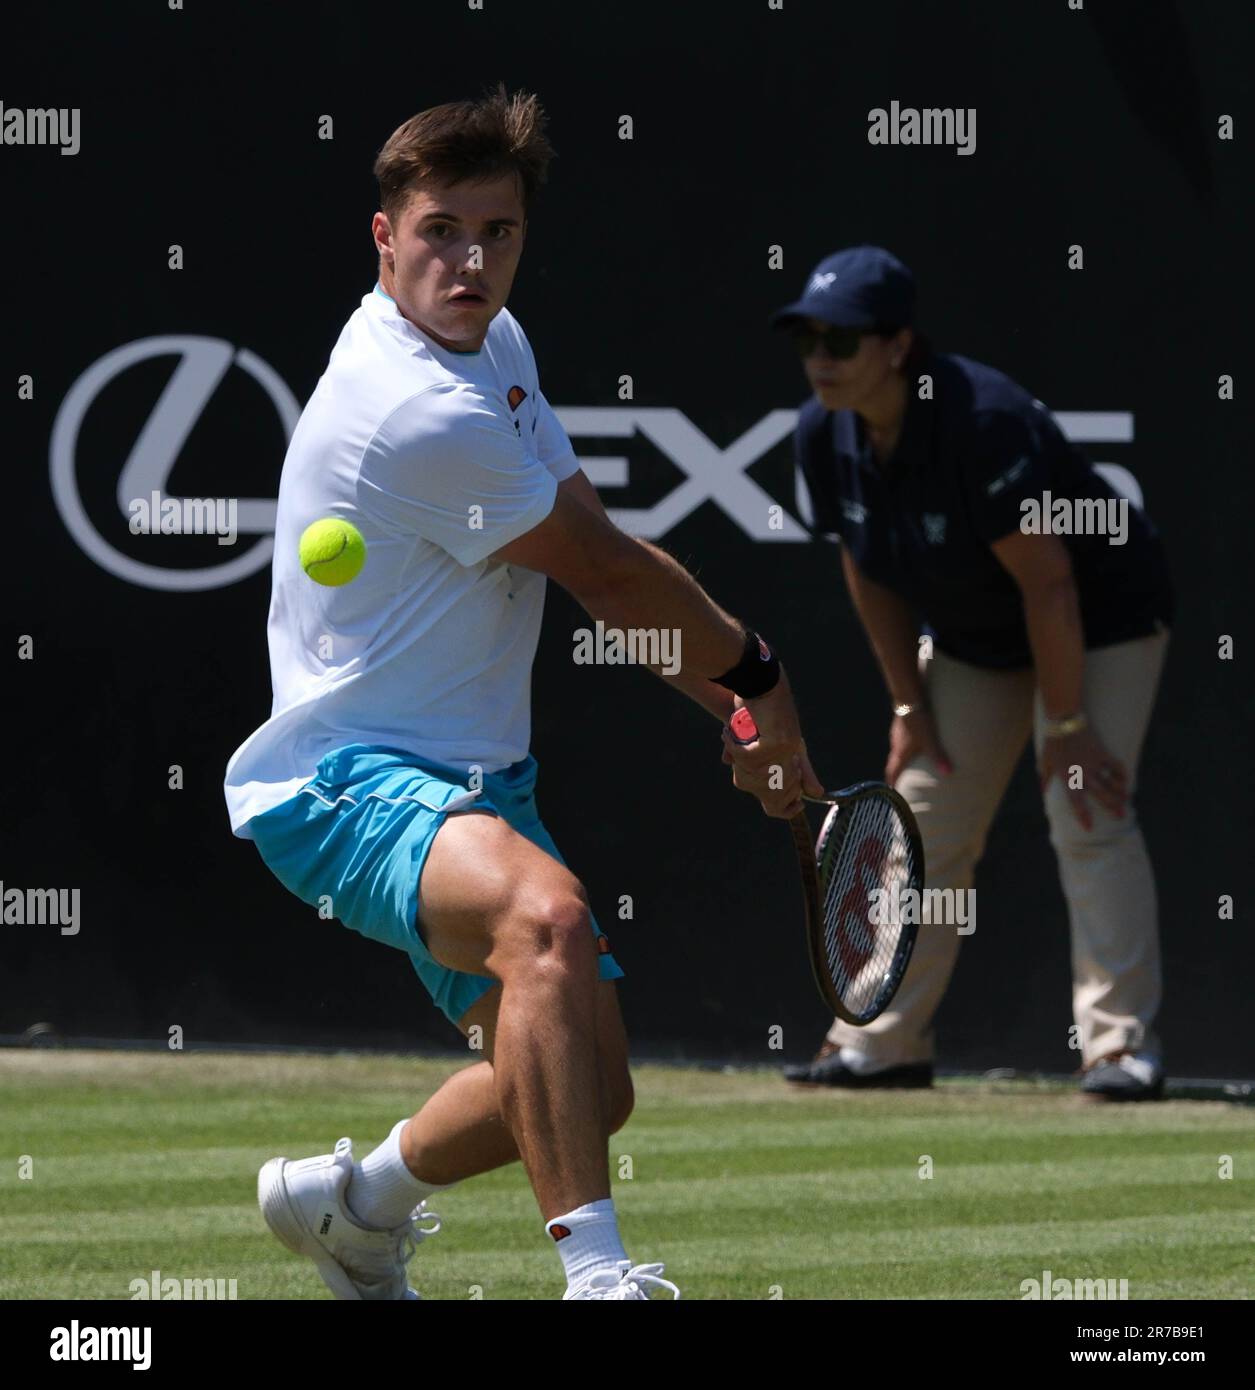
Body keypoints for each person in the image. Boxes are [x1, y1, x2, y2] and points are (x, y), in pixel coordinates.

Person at [224, 85, 820, 1302]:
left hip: (475, 777)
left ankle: (351, 1205)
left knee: (584, 1093)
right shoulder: (412, 407)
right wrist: (759, 682)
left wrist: (737, 720)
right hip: (339, 780)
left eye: (497, 233)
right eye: (441, 229)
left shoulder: (494, 345)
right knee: (544, 919)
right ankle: (599, 1279)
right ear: (384, 237)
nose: (471, 259)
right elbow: (602, 568)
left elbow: (596, 545)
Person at [773, 246, 1173, 1101]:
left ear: (896, 346)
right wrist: (906, 704)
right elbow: (866, 569)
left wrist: (1066, 728)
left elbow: (1050, 584)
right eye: (807, 339)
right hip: (972, 641)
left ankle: (1117, 1051)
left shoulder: (982, 422)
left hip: (1097, 621)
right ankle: (881, 1045)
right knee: (920, 824)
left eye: (839, 342)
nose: (819, 359)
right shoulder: (820, 430)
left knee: (1084, 808)